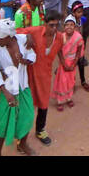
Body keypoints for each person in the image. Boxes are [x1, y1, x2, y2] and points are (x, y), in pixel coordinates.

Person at [0, 18, 37, 155]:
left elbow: (32, 55)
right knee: (4, 122)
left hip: (23, 85)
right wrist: (5, 92)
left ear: (9, 37)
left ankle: (22, 144)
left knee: (27, 116)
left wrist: (25, 61)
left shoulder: (23, 40)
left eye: (1, 38)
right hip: (8, 89)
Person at [23, 14, 60, 146]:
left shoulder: (59, 37)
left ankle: (40, 130)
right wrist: (27, 36)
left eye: (56, 25)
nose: (54, 28)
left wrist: (63, 64)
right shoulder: (35, 31)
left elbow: (60, 50)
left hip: (45, 76)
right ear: (45, 24)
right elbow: (16, 32)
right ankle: (21, 134)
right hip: (30, 74)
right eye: (51, 25)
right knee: (27, 106)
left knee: (44, 104)